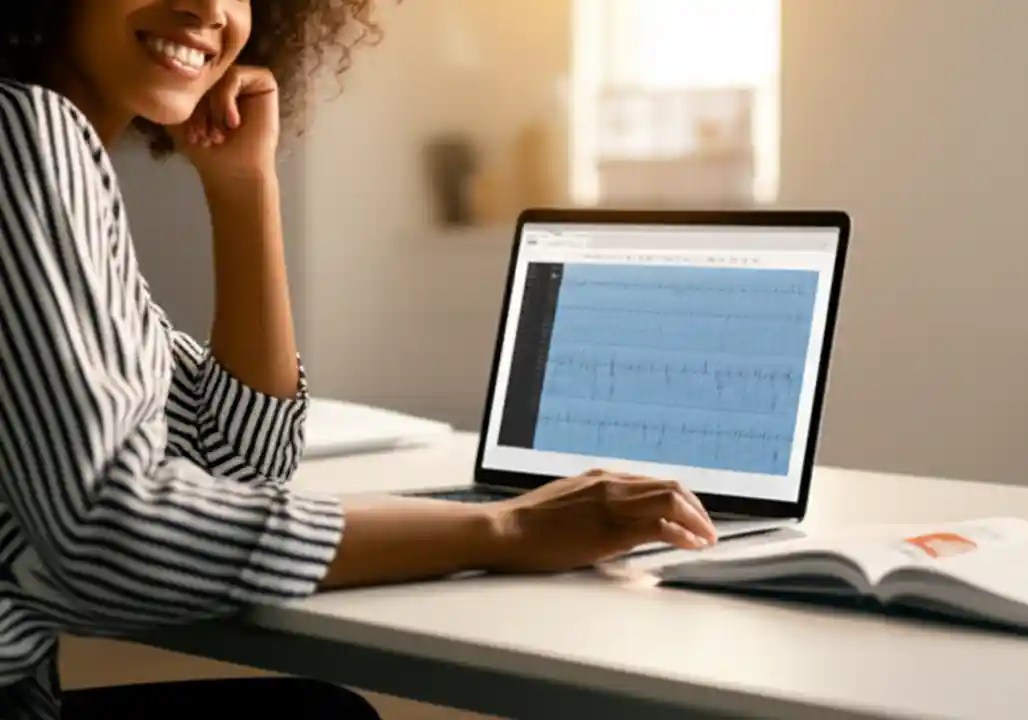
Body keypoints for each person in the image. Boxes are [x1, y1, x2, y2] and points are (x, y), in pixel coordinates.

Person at [0, 1, 718, 717]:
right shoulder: (27, 133)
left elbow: (236, 462)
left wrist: (246, 186)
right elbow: (108, 536)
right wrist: (506, 530)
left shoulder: (51, 154)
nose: (207, 8)